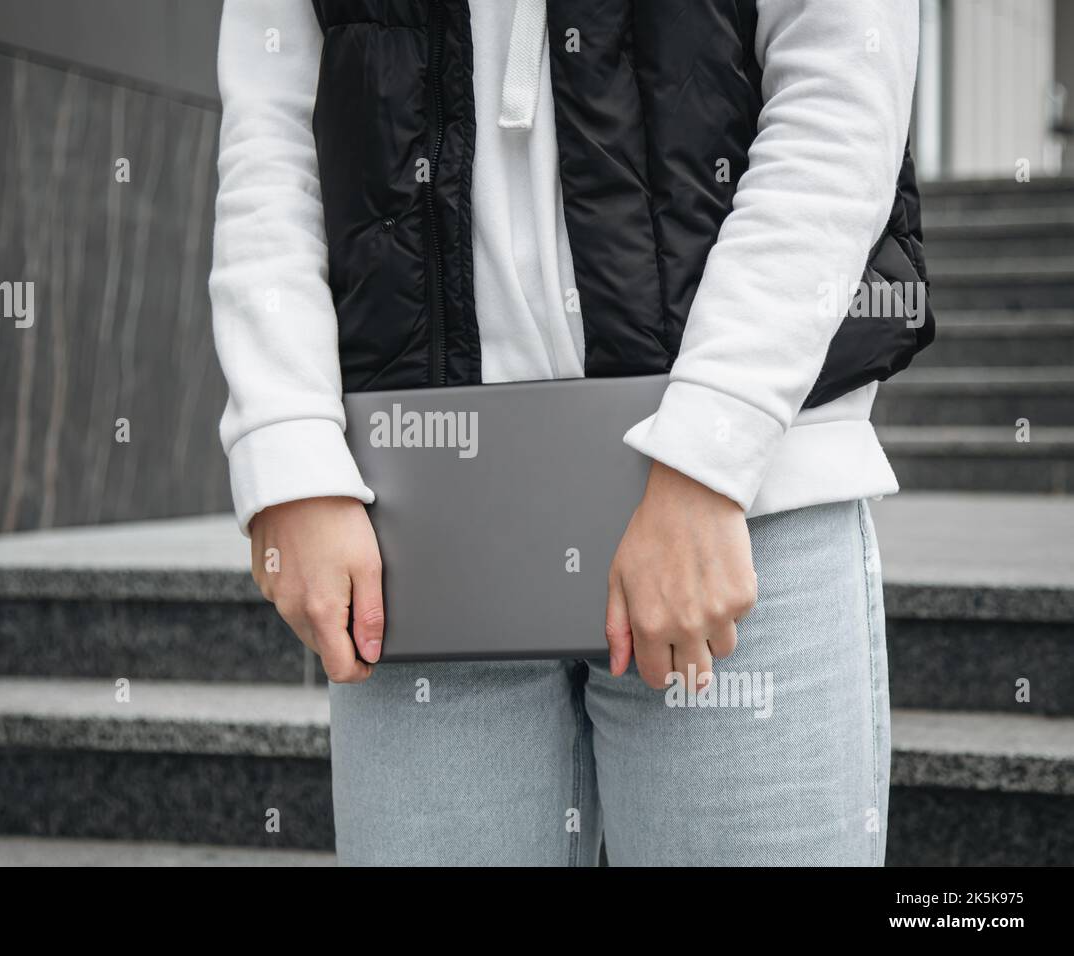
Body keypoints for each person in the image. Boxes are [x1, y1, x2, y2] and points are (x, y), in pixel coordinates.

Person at [210, 0, 928, 865]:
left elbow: (839, 86)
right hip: (420, 526)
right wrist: (288, 451)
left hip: (739, 509)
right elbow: (272, 129)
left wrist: (712, 447)